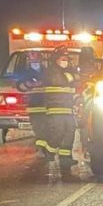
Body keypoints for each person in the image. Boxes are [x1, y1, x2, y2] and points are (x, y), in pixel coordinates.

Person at [42, 46, 79, 176]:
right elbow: (60, 81)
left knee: (70, 133)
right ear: (56, 60)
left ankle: (65, 160)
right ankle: (48, 153)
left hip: (67, 109)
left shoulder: (68, 71)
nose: (65, 61)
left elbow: (75, 83)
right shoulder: (51, 72)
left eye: (66, 59)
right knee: (57, 133)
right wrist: (74, 77)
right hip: (55, 108)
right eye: (63, 59)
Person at [16, 53, 49, 159]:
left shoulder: (47, 72)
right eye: (32, 62)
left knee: (49, 129)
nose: (34, 63)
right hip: (34, 106)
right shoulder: (26, 74)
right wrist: (28, 84)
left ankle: (47, 149)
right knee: (39, 128)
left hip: (49, 106)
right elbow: (19, 86)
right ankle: (41, 149)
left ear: (40, 61)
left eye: (36, 61)